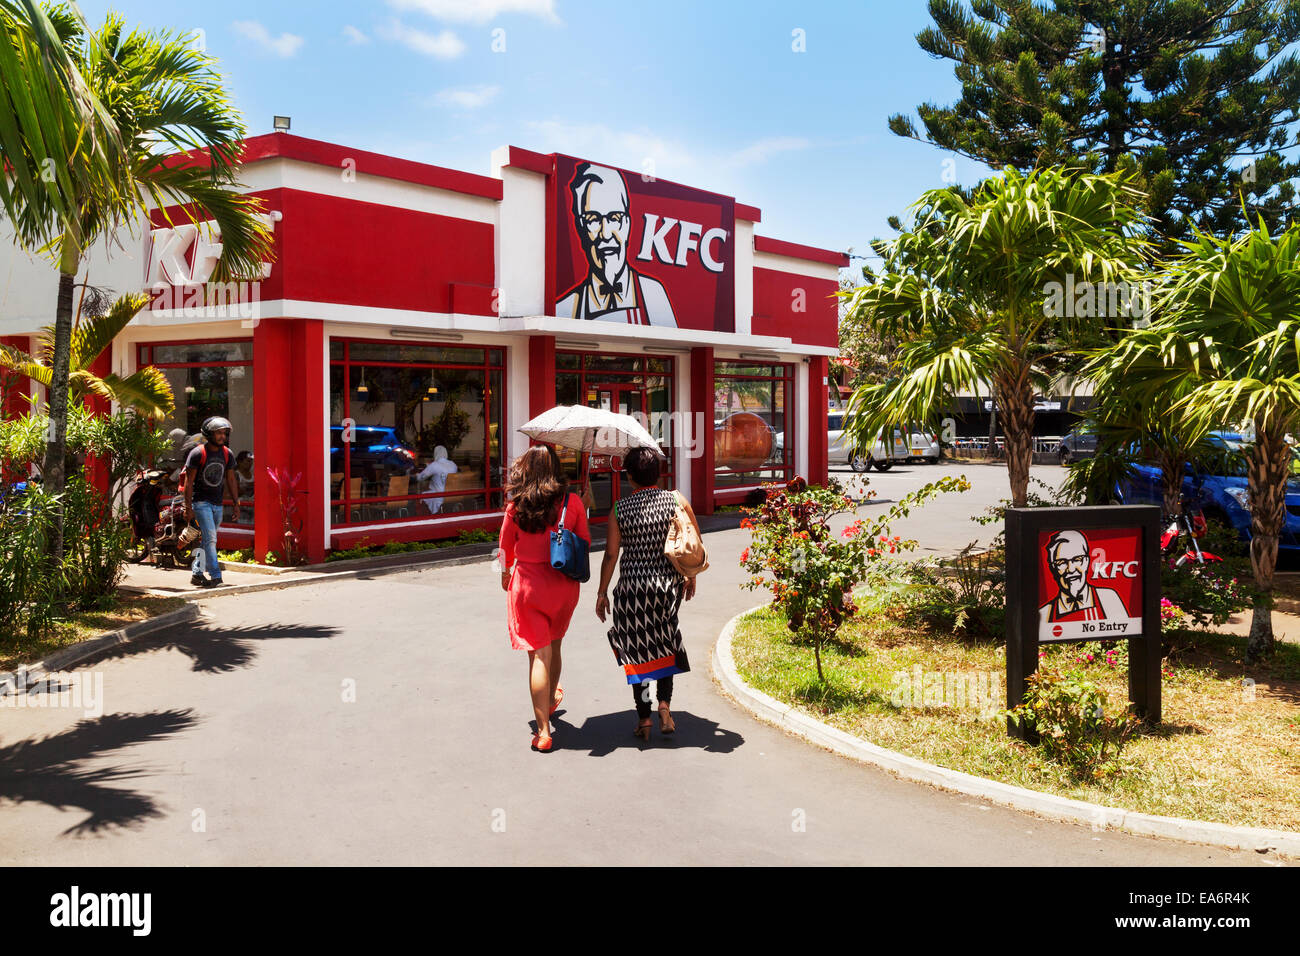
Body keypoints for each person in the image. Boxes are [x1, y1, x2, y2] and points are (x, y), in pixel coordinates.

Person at [595, 446, 699, 741]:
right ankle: (664, 707)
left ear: (630, 476)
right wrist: (690, 575)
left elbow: (611, 554)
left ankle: (644, 718)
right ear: (658, 473)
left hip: (632, 591)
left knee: (638, 653)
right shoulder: (676, 500)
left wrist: (602, 593)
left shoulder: (620, 508)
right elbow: (693, 538)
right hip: (667, 588)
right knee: (665, 644)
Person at [498, 445, 590, 752]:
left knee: (538, 654)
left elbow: (504, 548)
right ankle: (551, 699)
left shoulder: (516, 506)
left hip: (527, 585)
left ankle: (543, 732)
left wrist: (504, 573)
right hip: (562, 587)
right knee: (555, 645)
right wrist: (583, 508)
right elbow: (584, 544)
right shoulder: (572, 502)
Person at [555, 163, 678, 327]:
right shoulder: (566, 307)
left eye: (614, 218)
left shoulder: (653, 294)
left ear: (627, 224)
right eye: (593, 219)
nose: (606, 234)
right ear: (580, 228)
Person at [184, 416, 240, 588]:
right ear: (209, 433)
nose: (222, 436)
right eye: (218, 433)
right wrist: (188, 507)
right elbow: (189, 481)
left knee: (207, 540)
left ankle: (197, 573)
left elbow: (231, 479)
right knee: (211, 540)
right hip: (201, 503)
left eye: (224, 433)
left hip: (217, 503)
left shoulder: (227, 454)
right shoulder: (197, 453)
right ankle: (216, 577)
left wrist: (236, 503)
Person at [416, 445, 458, 514]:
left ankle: (426, 519)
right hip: (452, 495)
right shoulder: (453, 464)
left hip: (439, 496)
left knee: (421, 496)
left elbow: (420, 478)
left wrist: (416, 475)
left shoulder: (435, 465)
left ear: (435, 453)